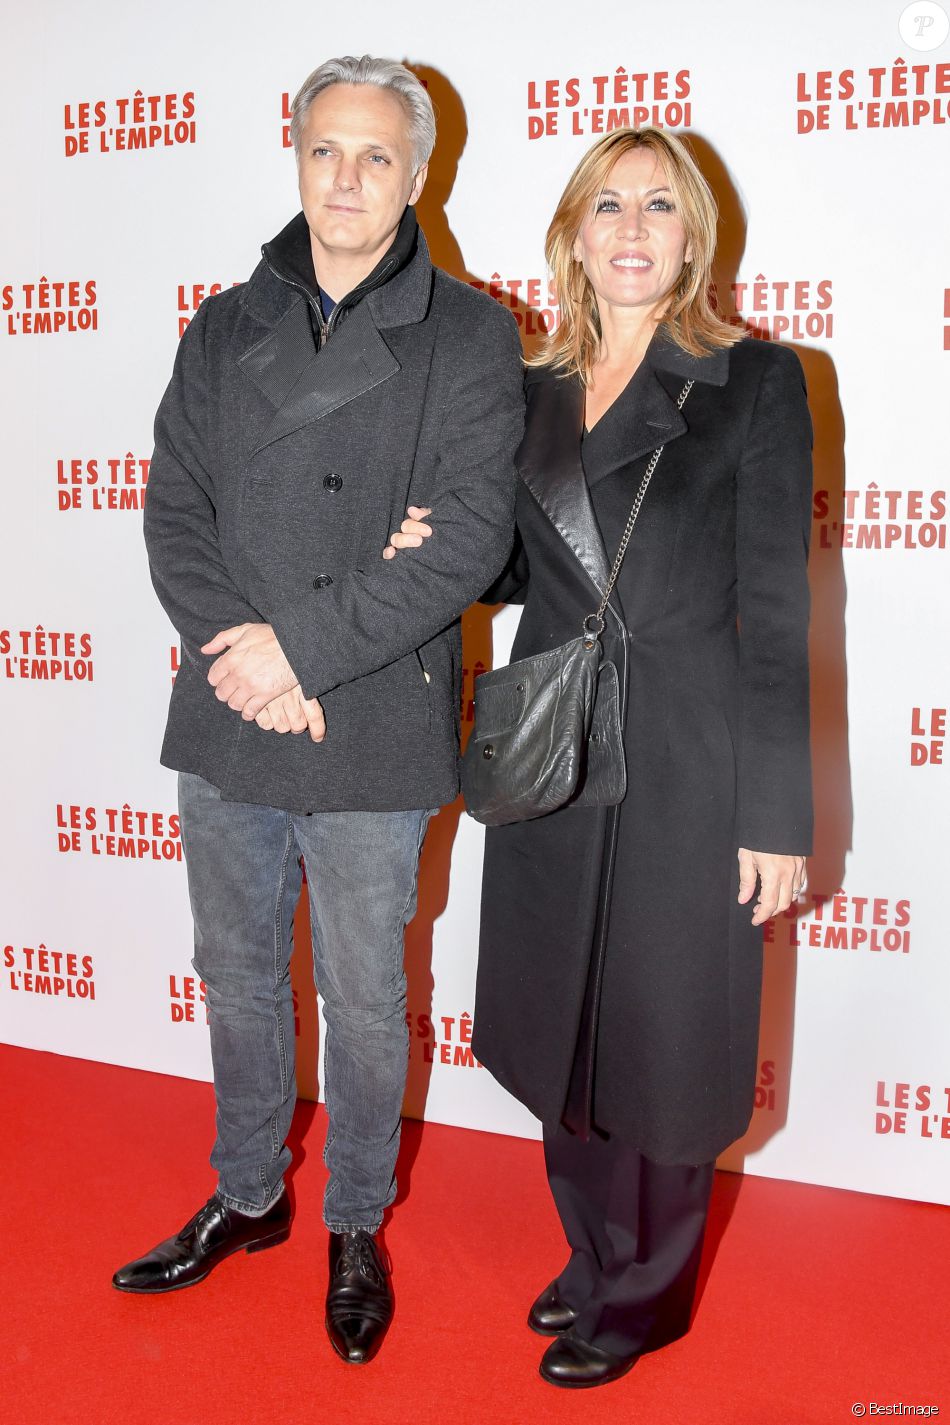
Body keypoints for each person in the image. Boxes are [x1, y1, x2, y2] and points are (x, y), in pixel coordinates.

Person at [112, 55, 524, 1368]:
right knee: (236, 978)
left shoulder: (468, 331)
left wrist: (299, 654)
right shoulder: (222, 325)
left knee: (359, 997)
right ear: (294, 158)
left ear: (417, 172)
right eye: (323, 152)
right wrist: (243, 660)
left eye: (375, 157)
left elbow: (465, 538)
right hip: (229, 711)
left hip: (375, 719)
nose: (346, 181)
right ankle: (248, 1195)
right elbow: (175, 509)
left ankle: (352, 1221)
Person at [386, 126, 812, 1389]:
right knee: (557, 1010)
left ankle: (646, 1289)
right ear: (574, 232)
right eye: (607, 206)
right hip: (549, 739)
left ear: (693, 237)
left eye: (659, 209)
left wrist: (774, 815)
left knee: (669, 1033)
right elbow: (524, 568)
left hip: (687, 749)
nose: (631, 230)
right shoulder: (524, 388)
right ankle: (590, 1250)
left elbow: (777, 614)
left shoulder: (755, 381)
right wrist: (443, 541)